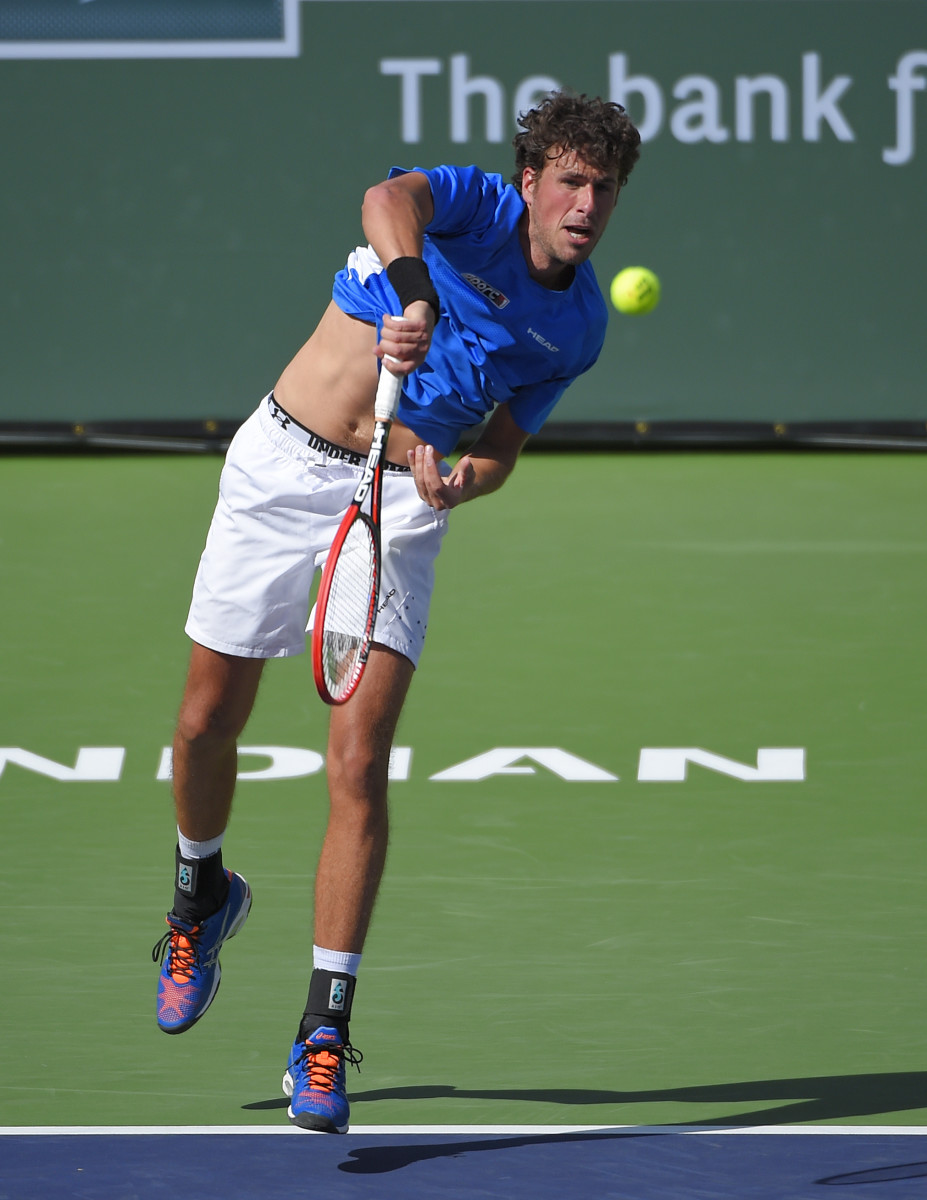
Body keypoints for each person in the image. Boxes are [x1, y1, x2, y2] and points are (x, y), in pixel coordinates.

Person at [151, 90, 641, 1134]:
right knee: (204, 723)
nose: (585, 202)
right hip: (284, 464)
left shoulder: (579, 325)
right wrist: (413, 291)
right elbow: (388, 197)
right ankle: (201, 894)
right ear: (531, 181)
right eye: (569, 179)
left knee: (359, 759)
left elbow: (504, 442)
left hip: (397, 506)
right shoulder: (469, 210)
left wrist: (464, 477)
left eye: (603, 187)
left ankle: (324, 1032)